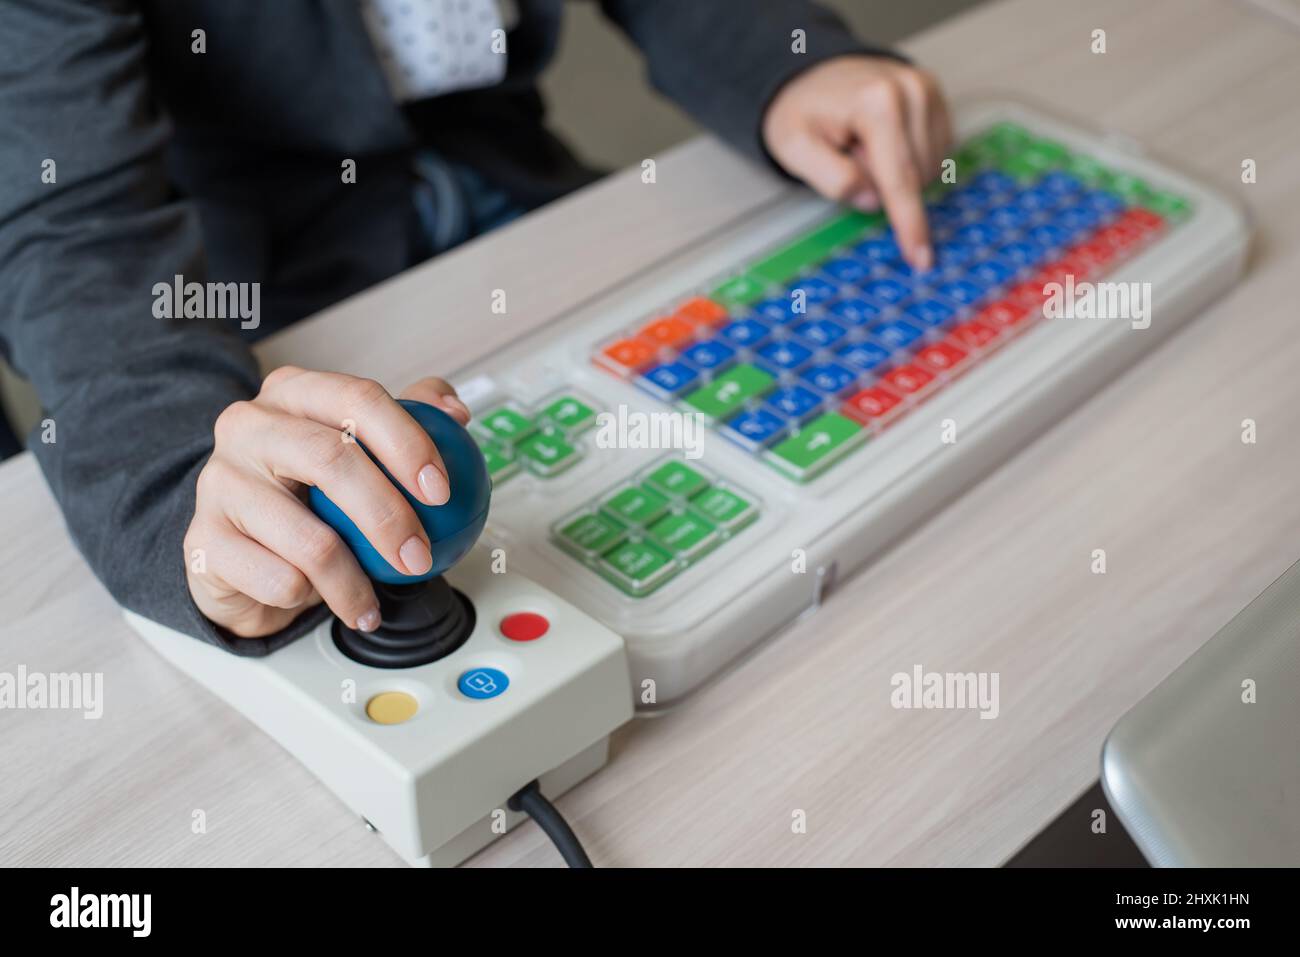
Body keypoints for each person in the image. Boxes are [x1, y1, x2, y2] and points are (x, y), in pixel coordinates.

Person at [0, 0, 950, 652]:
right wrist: (192, 496)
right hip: (252, 281)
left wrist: (789, 63)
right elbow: (69, 226)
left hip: (521, 185)